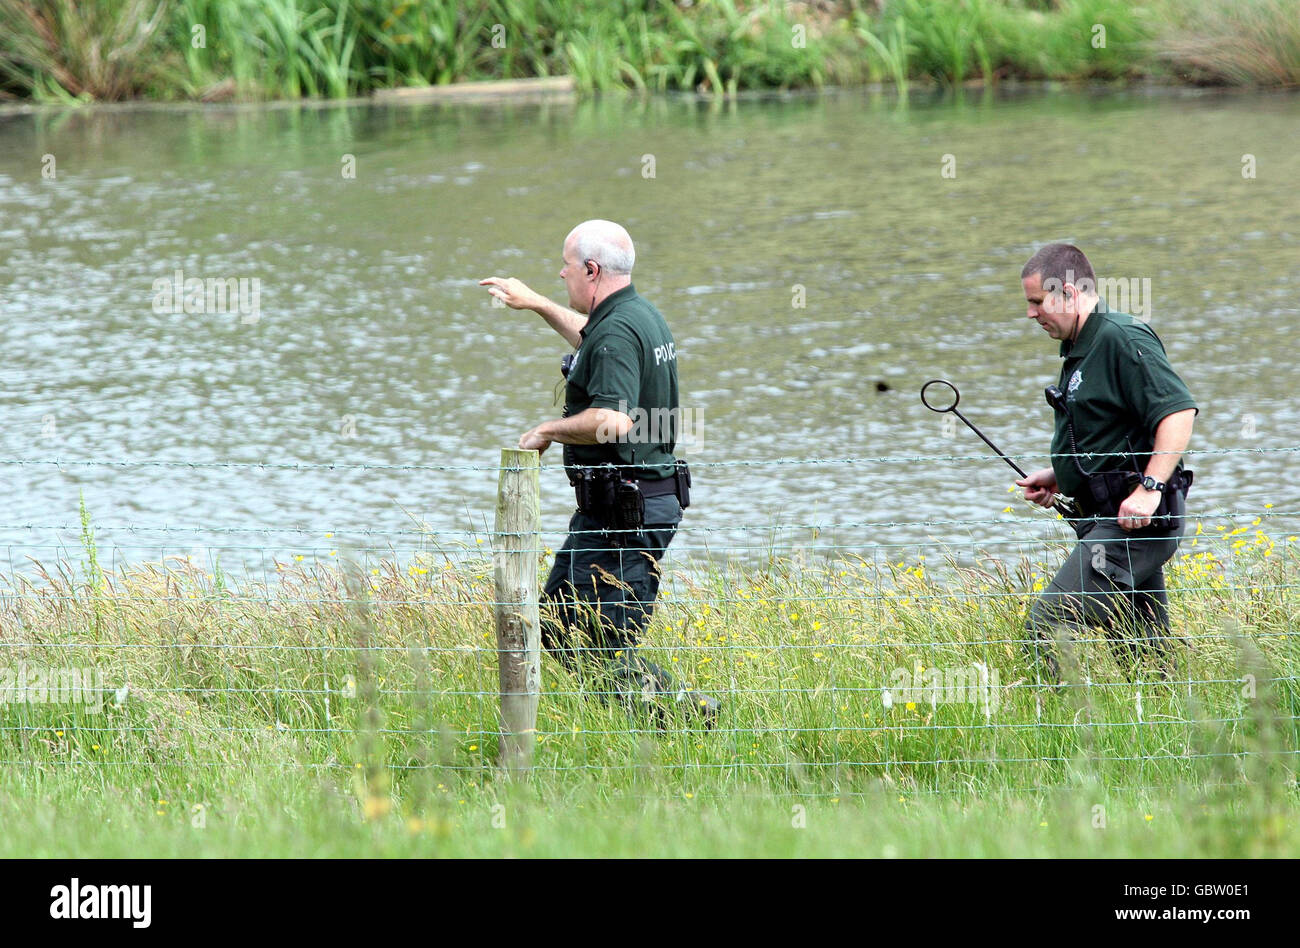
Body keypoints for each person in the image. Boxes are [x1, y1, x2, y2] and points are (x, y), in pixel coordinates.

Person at [479, 219, 718, 726]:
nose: (561, 276)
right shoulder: (639, 317)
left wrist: (548, 429)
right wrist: (540, 304)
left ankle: (686, 720)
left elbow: (611, 420)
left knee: (598, 644)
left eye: (565, 269)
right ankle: (670, 722)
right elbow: (591, 341)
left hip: (624, 514)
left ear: (591, 269)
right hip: (635, 503)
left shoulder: (615, 331)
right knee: (559, 627)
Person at [1014, 243, 1197, 684]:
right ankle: (1166, 734)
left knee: (1047, 626)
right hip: (1109, 518)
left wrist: (1148, 490)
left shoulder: (1121, 337)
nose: (1031, 314)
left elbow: (1177, 413)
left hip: (1136, 523)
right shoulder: (1081, 345)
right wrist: (1062, 475)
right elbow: (1113, 431)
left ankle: (1059, 732)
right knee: (1146, 660)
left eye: (1038, 302)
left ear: (1070, 294)